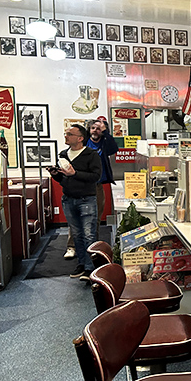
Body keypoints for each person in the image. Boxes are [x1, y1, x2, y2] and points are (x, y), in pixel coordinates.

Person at [49, 125, 101, 281]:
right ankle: (81, 263)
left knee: (88, 234)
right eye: (66, 133)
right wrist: (55, 175)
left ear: (80, 138)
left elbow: (96, 176)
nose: (66, 136)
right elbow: (63, 179)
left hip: (87, 199)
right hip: (68, 199)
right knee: (76, 234)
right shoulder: (63, 155)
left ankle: (90, 268)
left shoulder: (91, 155)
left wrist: (75, 173)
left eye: (70, 134)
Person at [64, 119, 118, 260]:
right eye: (93, 128)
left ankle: (94, 247)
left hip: (97, 185)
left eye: (99, 128)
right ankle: (72, 246)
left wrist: (105, 131)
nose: (96, 130)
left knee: (95, 219)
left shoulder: (104, 143)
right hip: (80, 185)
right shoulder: (84, 143)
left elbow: (114, 148)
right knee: (75, 220)